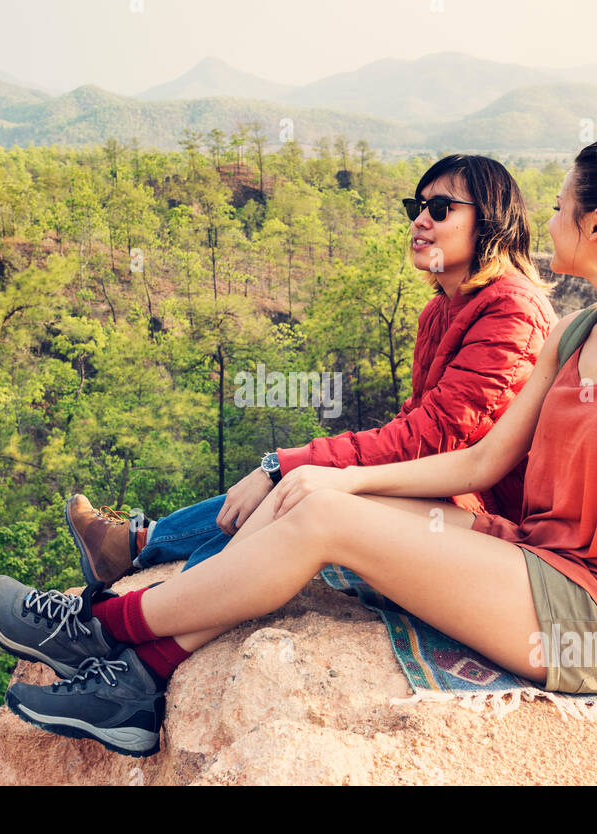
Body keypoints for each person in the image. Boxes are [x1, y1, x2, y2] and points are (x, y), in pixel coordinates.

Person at [0, 134, 597, 758]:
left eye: (559, 207)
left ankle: (98, 628)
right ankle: (139, 686)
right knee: (309, 502)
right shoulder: (581, 333)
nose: (545, 220)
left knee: (325, 518)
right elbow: (477, 465)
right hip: (534, 559)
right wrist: (314, 474)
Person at [59, 154, 555, 595]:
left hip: (495, 522)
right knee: (307, 476)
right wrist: (303, 465)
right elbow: (417, 425)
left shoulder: (511, 311)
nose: (420, 221)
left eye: (440, 208)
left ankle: (160, 608)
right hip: (448, 489)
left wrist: (285, 463)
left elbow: (433, 439)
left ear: (490, 221)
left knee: (301, 484)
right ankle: (135, 549)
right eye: (416, 207)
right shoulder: (443, 309)